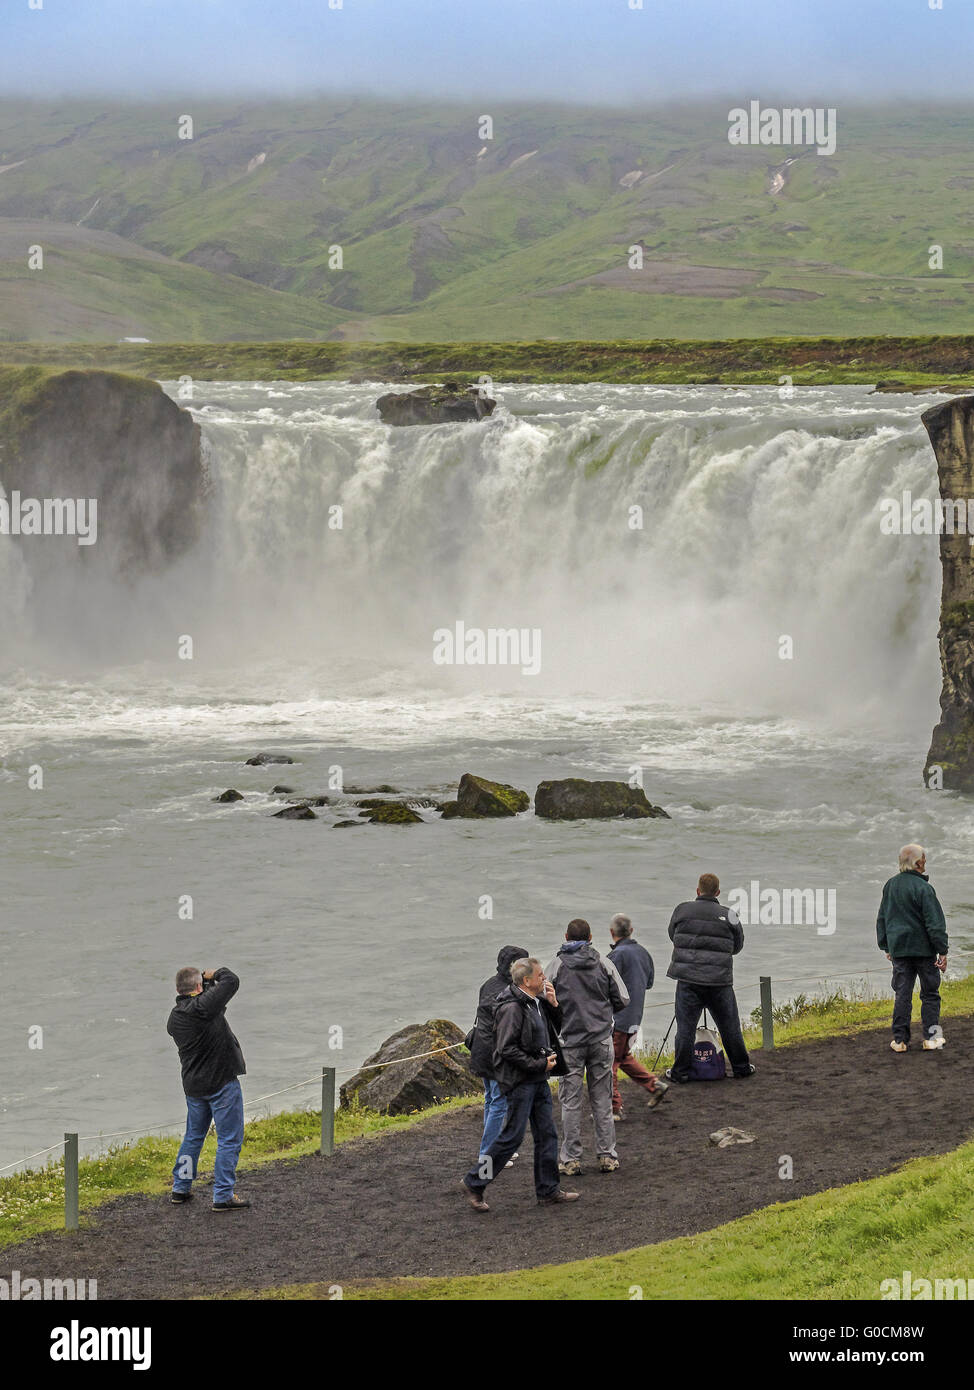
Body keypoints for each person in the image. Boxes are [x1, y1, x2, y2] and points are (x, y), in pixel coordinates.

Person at [461, 957, 579, 1211]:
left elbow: (554, 1029)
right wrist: (539, 1064)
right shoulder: (512, 1008)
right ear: (526, 981)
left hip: (537, 1080)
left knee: (547, 1134)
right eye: (540, 976)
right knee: (511, 1138)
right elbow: (506, 1049)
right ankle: (475, 1182)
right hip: (520, 1082)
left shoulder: (535, 1002)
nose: (544, 979)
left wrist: (554, 1004)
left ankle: (548, 1191)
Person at [545, 919, 629, 1174]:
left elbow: (542, 999)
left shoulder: (556, 965)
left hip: (569, 1041)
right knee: (602, 1099)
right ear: (591, 936)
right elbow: (623, 998)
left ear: (566, 936)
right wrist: (603, 1012)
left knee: (570, 1102)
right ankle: (607, 1156)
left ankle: (570, 1159)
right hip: (601, 1039)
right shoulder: (603, 962)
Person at [167, 965, 250, 1211]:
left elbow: (209, 1005)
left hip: (194, 1086)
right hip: (221, 1083)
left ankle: (180, 1188)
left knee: (193, 1137)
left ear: (177, 989)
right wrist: (214, 974)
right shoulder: (205, 1008)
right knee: (229, 1139)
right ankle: (223, 1195)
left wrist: (205, 987)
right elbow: (232, 981)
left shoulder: (175, 1017)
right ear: (198, 987)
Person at [664, 874, 754, 1082]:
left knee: (685, 1029)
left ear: (697, 891)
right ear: (718, 893)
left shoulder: (681, 910)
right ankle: (741, 1067)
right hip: (719, 981)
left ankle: (680, 1073)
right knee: (730, 1026)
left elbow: (673, 935)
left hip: (688, 980)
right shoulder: (729, 914)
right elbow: (737, 946)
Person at [876, 844, 949, 1052]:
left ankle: (900, 1041)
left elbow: (882, 918)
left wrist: (885, 946)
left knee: (902, 995)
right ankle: (931, 1038)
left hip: (899, 950)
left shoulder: (890, 885)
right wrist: (942, 951)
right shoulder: (924, 889)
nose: (925, 862)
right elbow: (935, 924)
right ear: (918, 863)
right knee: (930, 994)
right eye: (924, 859)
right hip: (925, 952)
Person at [468, 945, 529, 1162]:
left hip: (480, 1050)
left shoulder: (489, 985)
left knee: (491, 1099)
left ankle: (495, 1146)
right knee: (499, 1102)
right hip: (495, 1053)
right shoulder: (509, 992)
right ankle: (488, 1154)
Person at [607, 914, 658, 1119]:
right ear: (631, 931)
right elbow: (649, 983)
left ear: (612, 933)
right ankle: (655, 1085)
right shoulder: (644, 953)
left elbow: (605, 986)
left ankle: (614, 1108)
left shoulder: (616, 956)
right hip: (635, 1016)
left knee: (608, 1062)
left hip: (618, 1018)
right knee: (622, 1056)